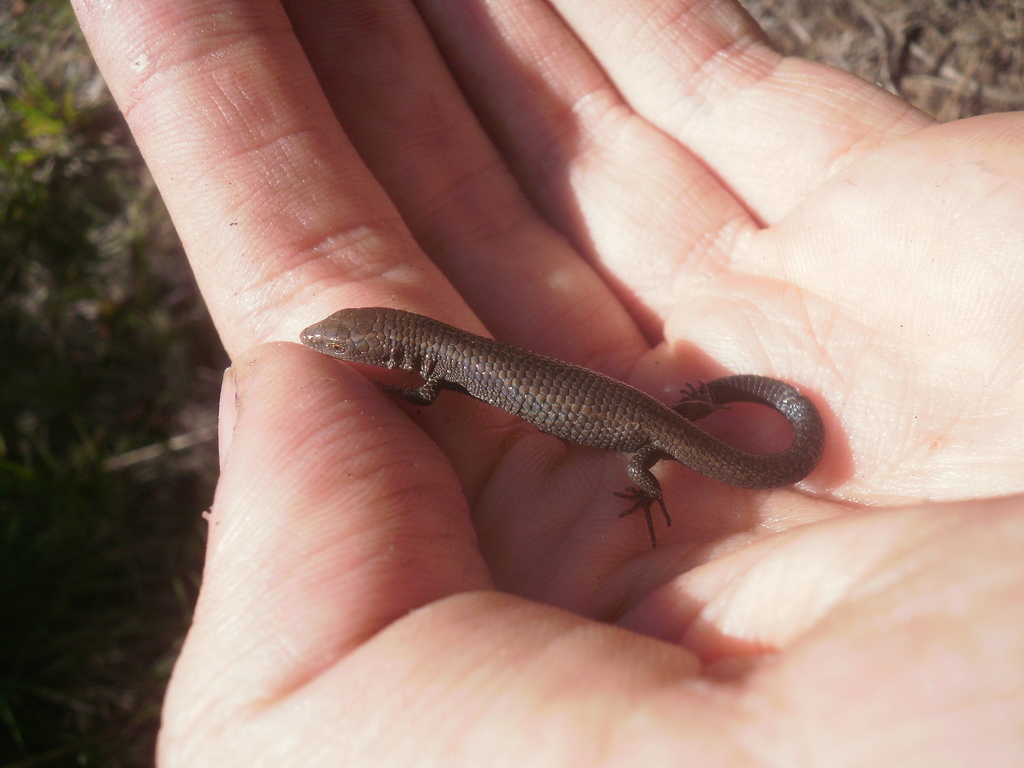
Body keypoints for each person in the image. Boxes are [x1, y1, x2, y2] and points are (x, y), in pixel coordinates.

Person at [72, 0, 1024, 764]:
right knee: (652, 440)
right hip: (640, 422)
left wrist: (649, 467)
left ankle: (671, 463)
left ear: (401, 351)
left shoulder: (436, 367)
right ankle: (695, 438)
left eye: (357, 345)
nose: (342, 347)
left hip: (640, 437)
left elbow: (428, 389)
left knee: (653, 457)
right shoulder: (436, 347)